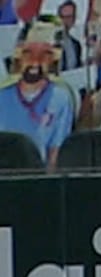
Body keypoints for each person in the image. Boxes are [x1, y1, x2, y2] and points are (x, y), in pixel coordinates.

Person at [0, 17, 76, 170]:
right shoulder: (3, 95)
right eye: (29, 53)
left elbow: (55, 154)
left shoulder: (61, 98)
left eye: (44, 54)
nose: (35, 62)